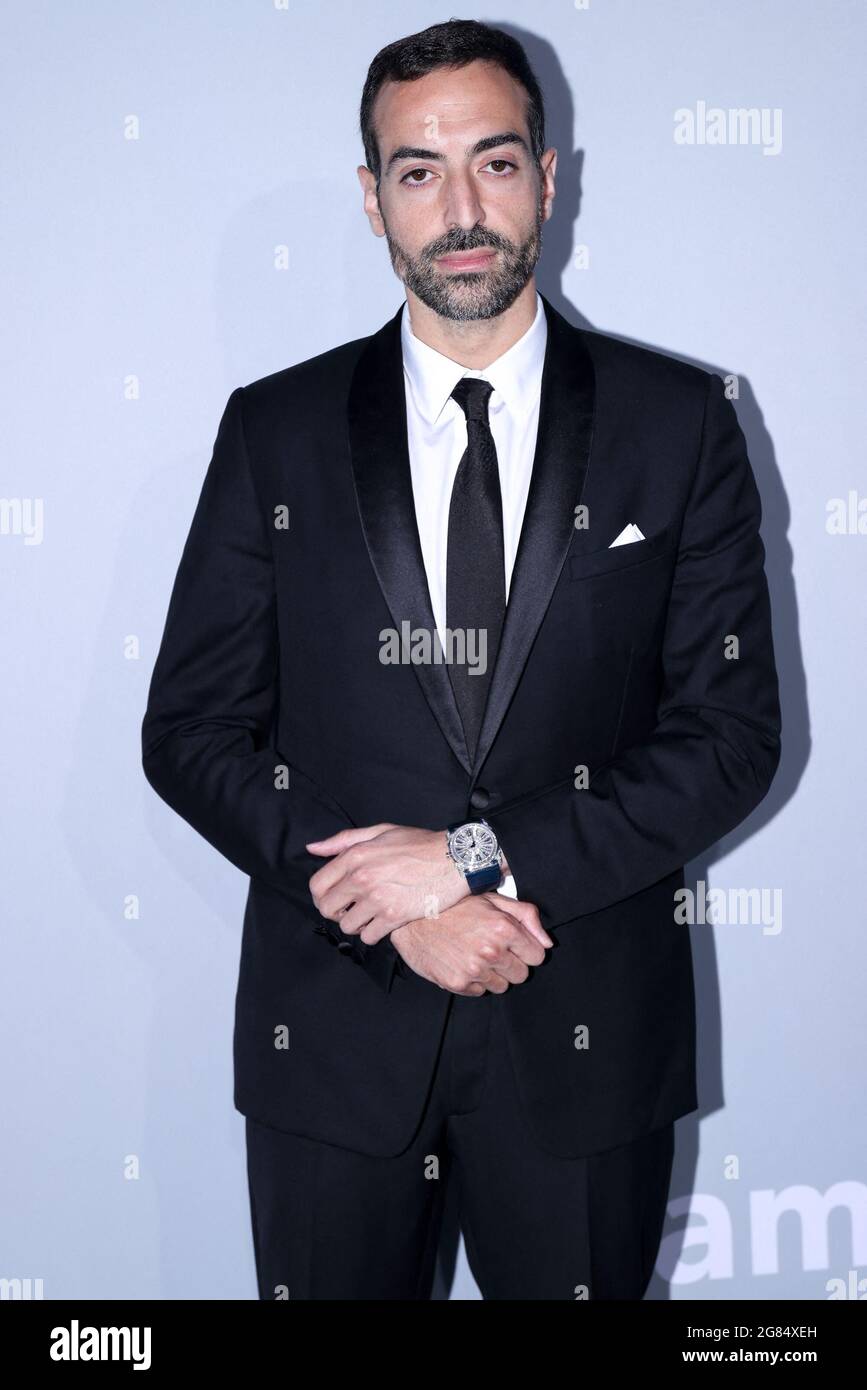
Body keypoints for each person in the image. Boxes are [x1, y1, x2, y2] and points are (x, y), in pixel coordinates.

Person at [141, 18, 781, 1299]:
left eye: (494, 162)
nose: (463, 209)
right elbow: (193, 730)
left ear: (551, 177)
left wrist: (472, 862)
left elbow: (729, 740)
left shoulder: (681, 423)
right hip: (335, 1033)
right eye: (420, 172)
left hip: (586, 1038)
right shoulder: (277, 430)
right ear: (372, 200)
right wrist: (400, 911)